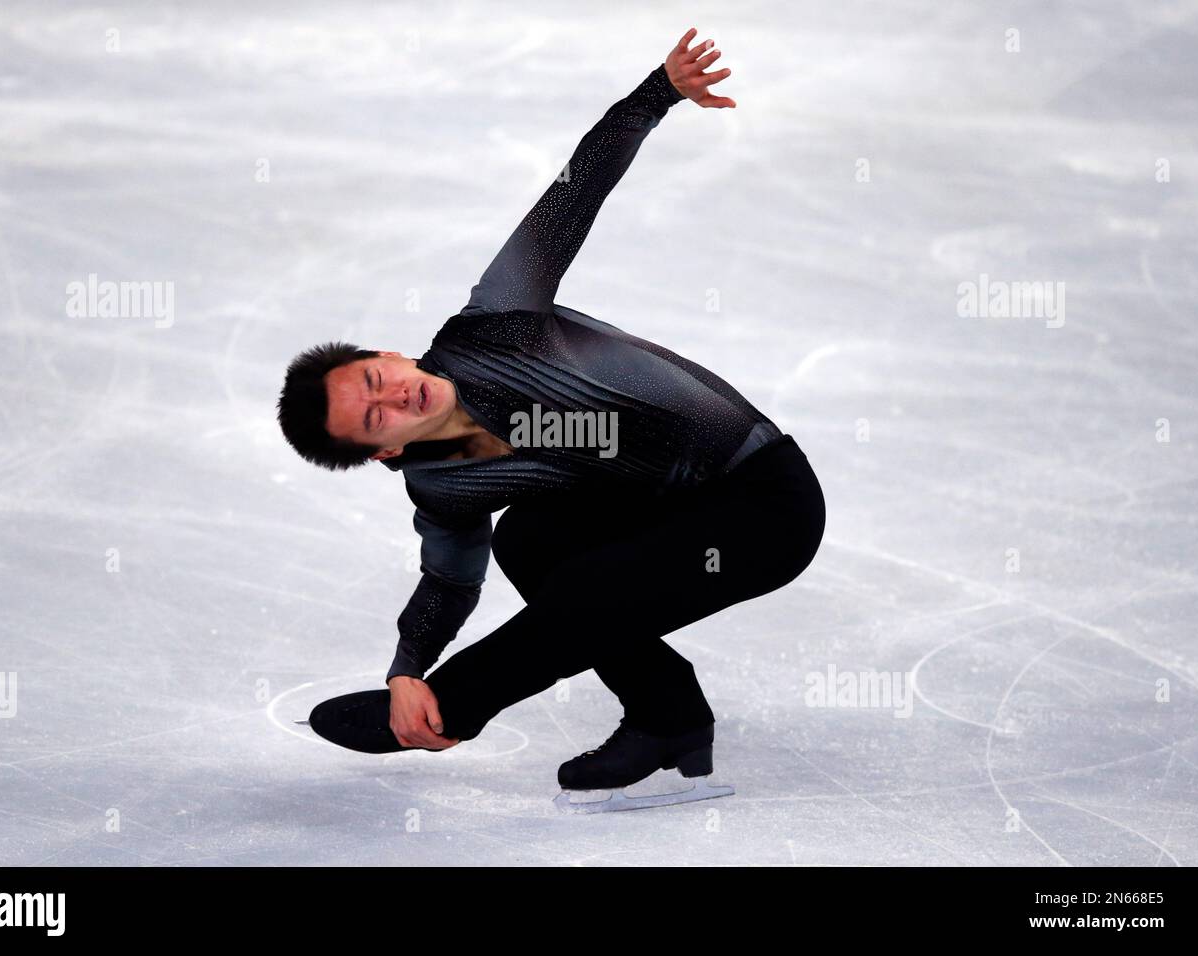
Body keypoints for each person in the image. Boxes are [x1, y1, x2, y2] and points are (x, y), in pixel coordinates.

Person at [277, 28, 825, 793]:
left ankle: (454, 710)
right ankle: (668, 717)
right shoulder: (441, 488)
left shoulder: (497, 322)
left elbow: (576, 191)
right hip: (666, 512)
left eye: (377, 376)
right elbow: (447, 583)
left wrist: (658, 91)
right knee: (532, 542)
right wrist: (405, 667)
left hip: (761, 501)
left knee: (590, 590)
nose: (395, 395)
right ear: (384, 453)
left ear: (391, 355)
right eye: (375, 417)